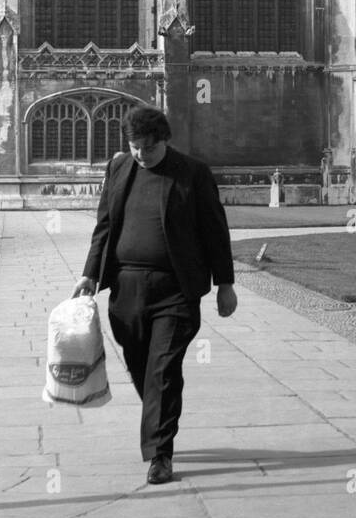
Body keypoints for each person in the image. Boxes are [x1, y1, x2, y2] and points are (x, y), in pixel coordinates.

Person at [73, 105, 236, 485]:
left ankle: (160, 453)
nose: (141, 155)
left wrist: (225, 284)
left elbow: (215, 230)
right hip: (127, 289)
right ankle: (160, 420)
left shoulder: (192, 174)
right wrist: (89, 275)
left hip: (175, 290)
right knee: (142, 367)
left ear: (164, 140)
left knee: (162, 370)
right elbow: (105, 227)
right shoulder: (118, 169)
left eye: (147, 148)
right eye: (134, 147)